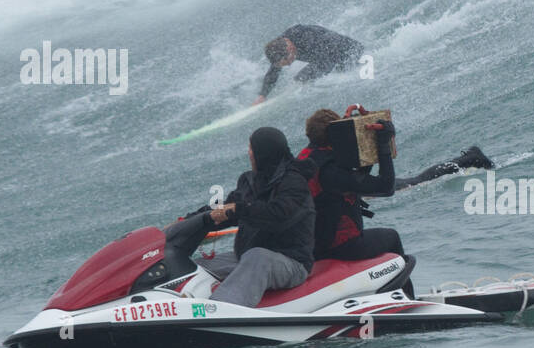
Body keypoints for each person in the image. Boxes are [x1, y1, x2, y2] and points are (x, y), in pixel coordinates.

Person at [163, 127, 315, 307]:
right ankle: (171, 306)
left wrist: (239, 209)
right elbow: (225, 209)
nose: (249, 153)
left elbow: (277, 215)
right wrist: (187, 221)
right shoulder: (250, 181)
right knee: (194, 269)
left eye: (252, 148)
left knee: (257, 257)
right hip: (244, 255)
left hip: (291, 262)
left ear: (263, 152)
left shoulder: (294, 182)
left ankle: (216, 311)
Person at [296, 108, 407, 269]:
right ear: (334, 134)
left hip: (312, 245)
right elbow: (386, 187)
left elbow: (353, 180)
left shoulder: (305, 158)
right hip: (338, 247)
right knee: (392, 237)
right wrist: (383, 145)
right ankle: (404, 294)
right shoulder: (330, 171)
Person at [257, 25, 363, 102]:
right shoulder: (280, 46)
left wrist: (299, 81)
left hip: (351, 54)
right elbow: (274, 69)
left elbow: (326, 62)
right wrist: (263, 95)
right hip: (330, 59)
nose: (289, 64)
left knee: (301, 78)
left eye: (289, 61)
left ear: (290, 48)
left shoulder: (307, 38)